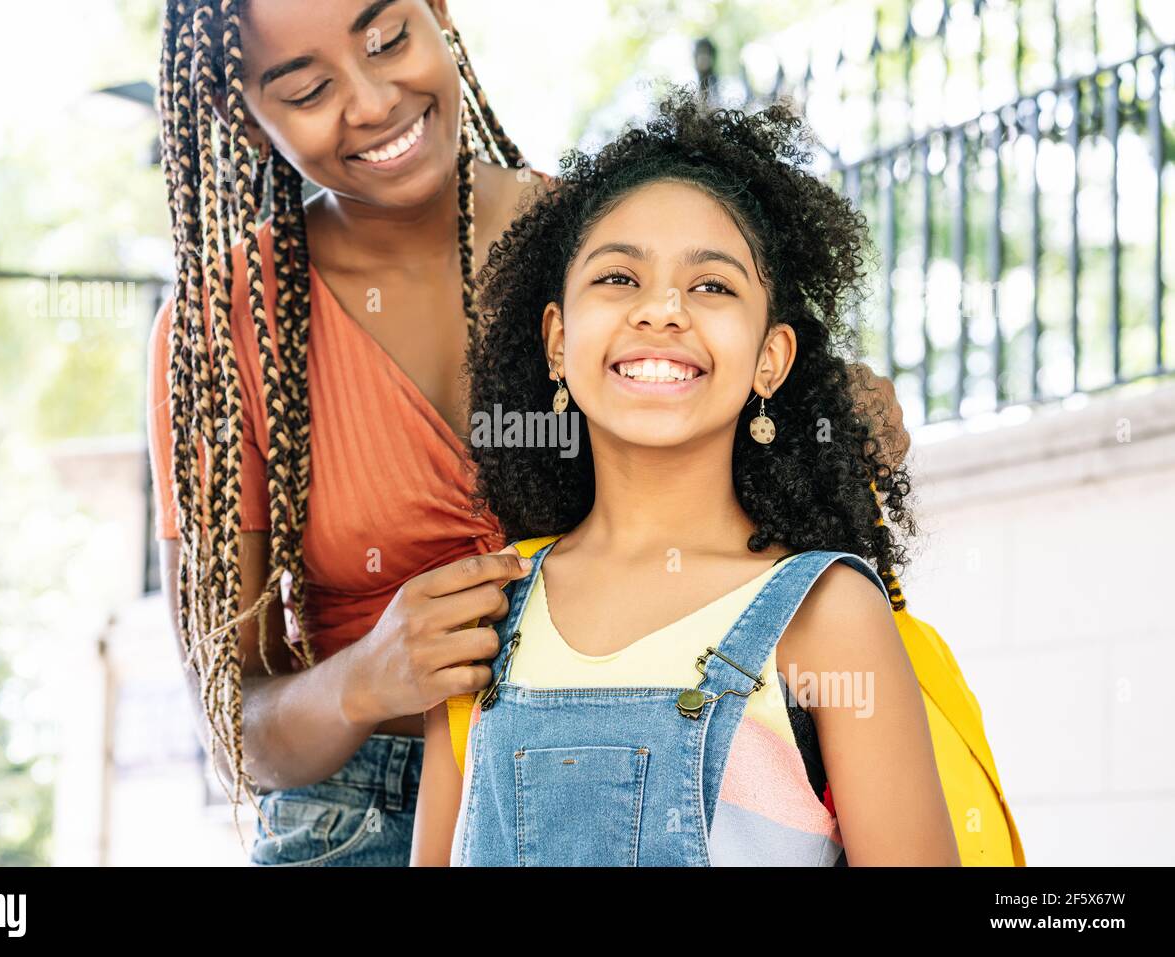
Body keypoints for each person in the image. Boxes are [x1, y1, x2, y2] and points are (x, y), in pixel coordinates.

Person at [149, 0, 911, 866]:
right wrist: (366, 678)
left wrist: (825, 420)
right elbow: (233, 731)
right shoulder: (219, 333)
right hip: (345, 823)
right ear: (241, 116)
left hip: (627, 767)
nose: (370, 100)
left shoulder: (607, 253)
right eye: (309, 88)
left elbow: (746, 461)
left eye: (389, 39)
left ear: (440, 16)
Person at [411, 91, 956, 866]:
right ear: (558, 341)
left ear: (771, 359)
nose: (663, 309)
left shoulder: (830, 617)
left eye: (712, 286)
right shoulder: (481, 616)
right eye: (619, 277)